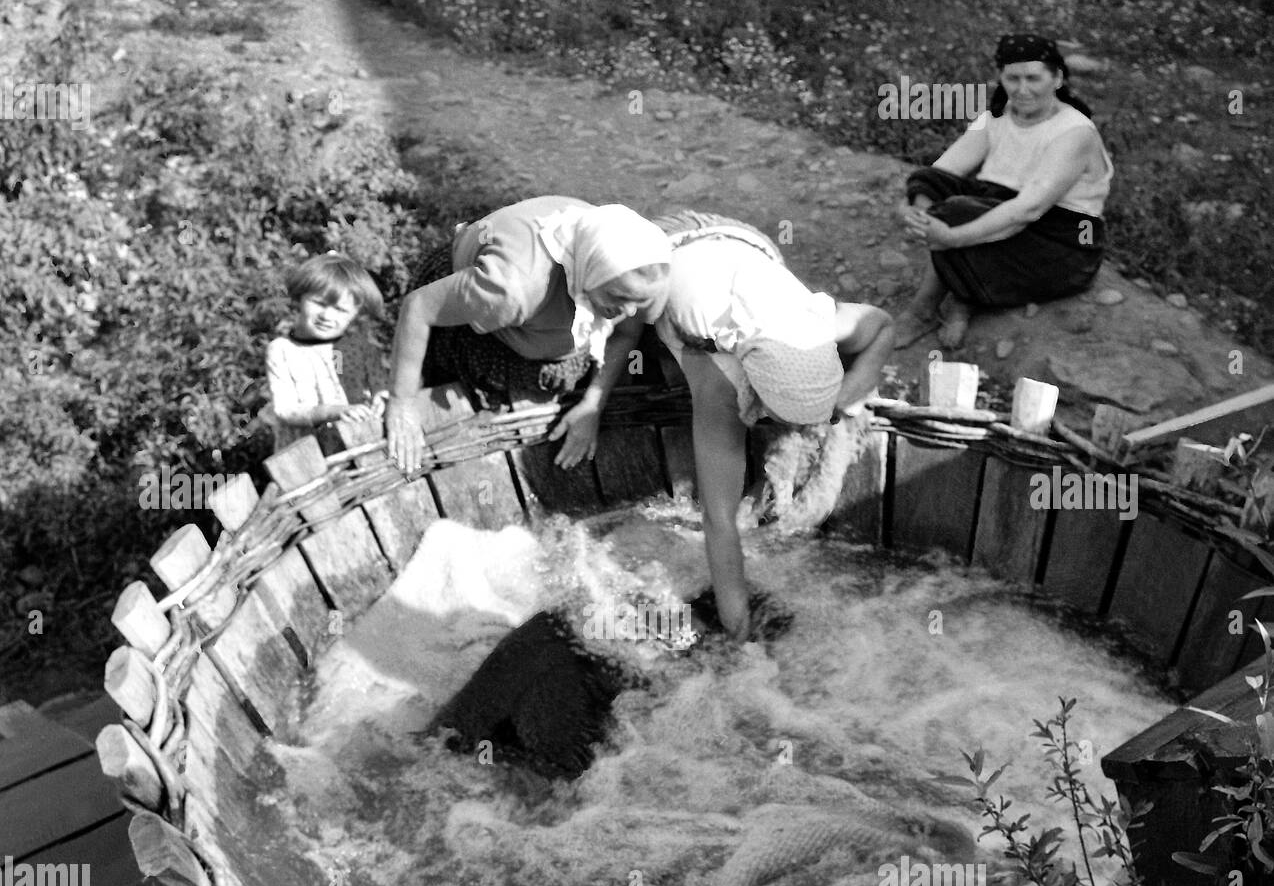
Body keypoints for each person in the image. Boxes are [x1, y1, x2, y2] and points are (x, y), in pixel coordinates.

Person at [642, 211, 894, 641]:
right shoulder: (719, 388)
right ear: (755, 397)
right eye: (782, 420)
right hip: (665, 247)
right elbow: (718, 521)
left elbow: (884, 326)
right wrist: (738, 628)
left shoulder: (822, 323)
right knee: (637, 327)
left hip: (750, 243)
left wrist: (843, 397)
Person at [384, 196, 672, 473]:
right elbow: (418, 308)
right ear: (589, 271)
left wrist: (592, 405)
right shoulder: (512, 289)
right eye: (619, 298)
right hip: (472, 319)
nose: (631, 311)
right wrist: (402, 401)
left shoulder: (630, 265)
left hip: (539, 317)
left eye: (639, 302)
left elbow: (625, 334)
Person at [894, 33, 1114, 350]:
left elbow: (1028, 209)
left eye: (1033, 78)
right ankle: (965, 293)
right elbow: (944, 170)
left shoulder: (1075, 132)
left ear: (1057, 78)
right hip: (1004, 209)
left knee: (957, 214)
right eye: (1013, 78)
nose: (1022, 89)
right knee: (934, 188)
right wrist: (918, 212)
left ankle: (924, 310)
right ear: (1001, 77)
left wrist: (950, 237)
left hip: (1066, 243)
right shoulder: (995, 117)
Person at [263, 253, 386, 455]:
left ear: (356, 313)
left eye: (340, 309)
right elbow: (285, 409)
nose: (327, 316)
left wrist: (382, 397)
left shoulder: (357, 346)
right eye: (319, 303)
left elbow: (379, 382)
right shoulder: (282, 350)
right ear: (300, 298)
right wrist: (332, 412)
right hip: (306, 454)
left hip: (357, 442)